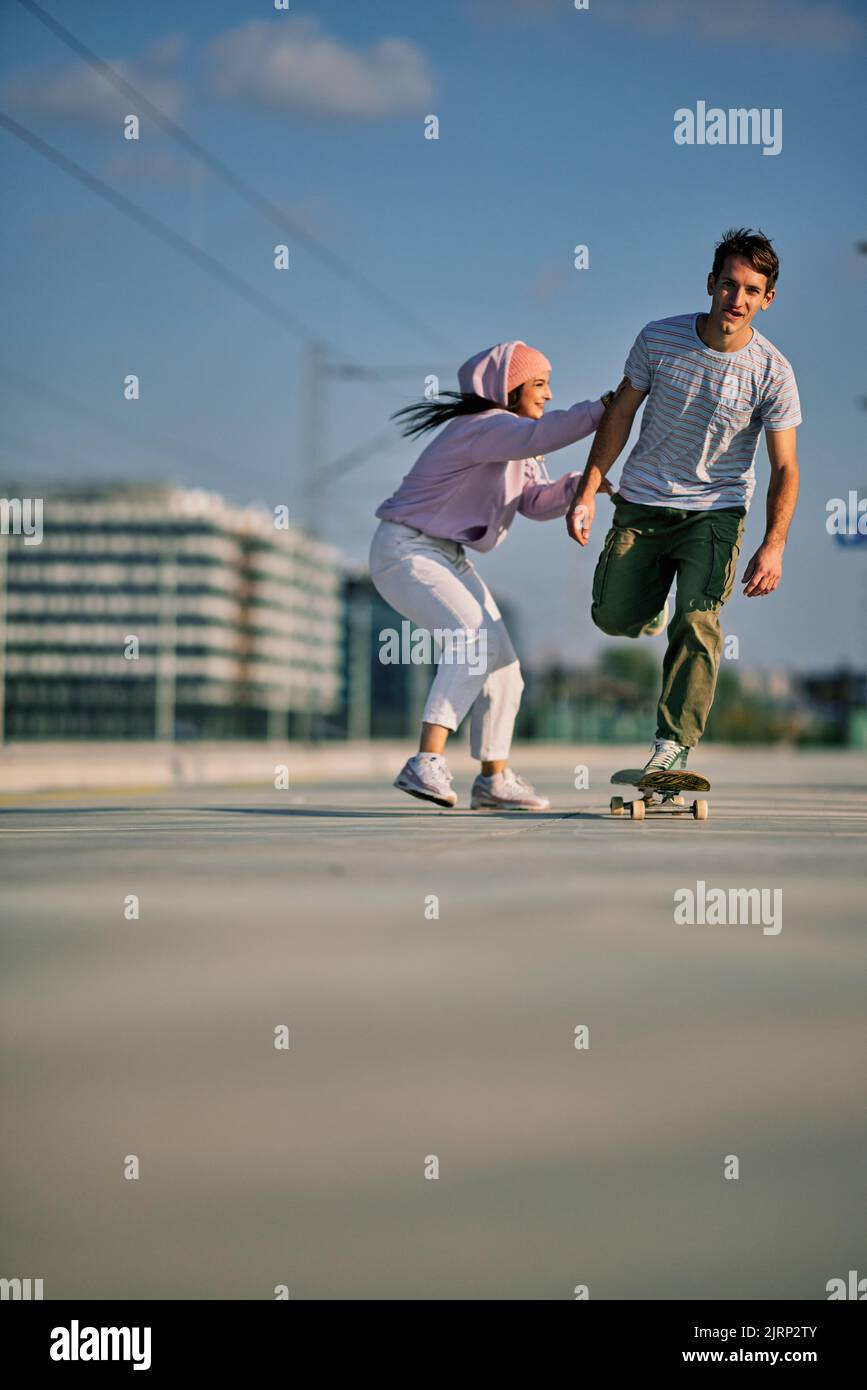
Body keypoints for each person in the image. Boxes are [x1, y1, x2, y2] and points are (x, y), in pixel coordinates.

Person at [566, 228, 801, 779]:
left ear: (767, 299)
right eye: (727, 284)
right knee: (612, 616)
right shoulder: (658, 339)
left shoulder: (774, 373)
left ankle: (672, 744)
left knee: (697, 622)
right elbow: (620, 413)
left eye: (750, 290)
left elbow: (785, 467)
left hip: (715, 514)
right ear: (710, 283)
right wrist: (586, 492)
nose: (736, 300)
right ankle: (647, 609)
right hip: (644, 502)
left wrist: (774, 544)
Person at [370, 340, 615, 809]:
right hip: (405, 550)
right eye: (539, 385)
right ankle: (426, 761)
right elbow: (544, 435)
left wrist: (583, 485)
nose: (546, 395)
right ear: (508, 389)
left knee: (505, 669)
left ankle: (493, 780)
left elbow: (534, 503)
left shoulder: (514, 444)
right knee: (473, 639)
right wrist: (604, 407)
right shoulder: (482, 427)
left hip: (446, 555)